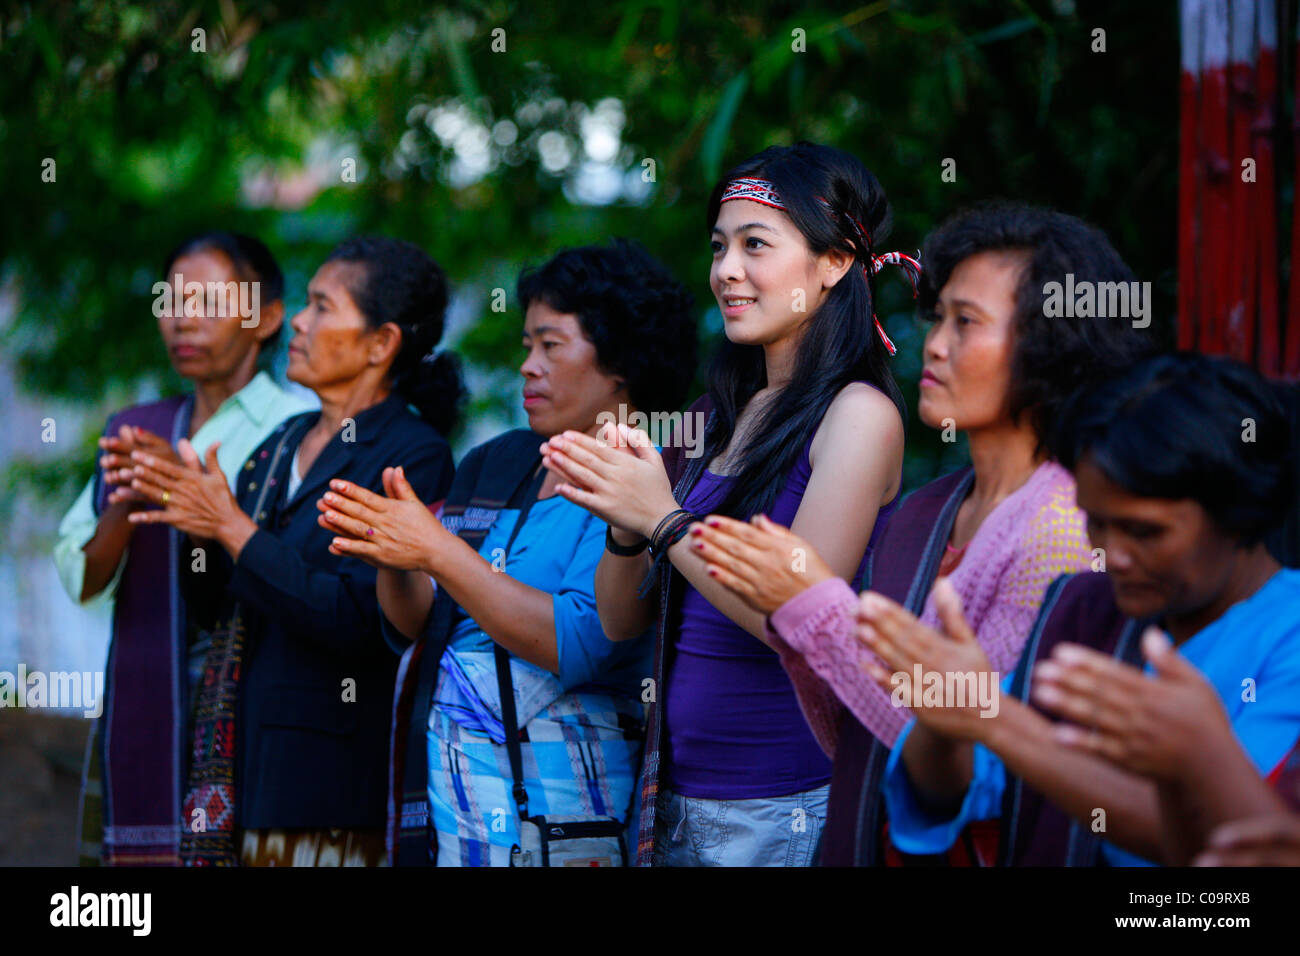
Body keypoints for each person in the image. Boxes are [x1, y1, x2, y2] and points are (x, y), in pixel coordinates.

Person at [689, 203, 1155, 864]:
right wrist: (799, 607)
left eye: (966, 322)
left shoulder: (1062, 528)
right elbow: (853, 733)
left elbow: (969, 767)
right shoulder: (929, 508)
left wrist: (815, 602)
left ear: (1054, 342)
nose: (933, 344)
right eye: (938, 317)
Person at [541, 142, 916, 865]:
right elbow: (621, 621)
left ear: (835, 263)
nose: (726, 270)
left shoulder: (859, 415)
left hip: (784, 805)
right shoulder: (718, 414)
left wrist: (663, 519)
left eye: (755, 245)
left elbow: (804, 616)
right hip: (674, 797)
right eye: (718, 247)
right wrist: (625, 523)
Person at [321, 239, 697, 865]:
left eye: (551, 345)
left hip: (565, 817)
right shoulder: (496, 463)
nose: (528, 365)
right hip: (454, 804)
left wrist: (438, 551)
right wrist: (394, 552)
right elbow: (425, 624)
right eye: (527, 345)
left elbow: (581, 643)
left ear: (623, 362)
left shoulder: (651, 479)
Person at [866, 352, 1300, 866]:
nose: (1111, 554)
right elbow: (954, 789)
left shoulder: (1287, 635)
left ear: (1239, 510)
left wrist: (997, 722)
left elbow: (1238, 842)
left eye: (1145, 532)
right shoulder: (1079, 608)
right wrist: (942, 721)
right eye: (1097, 523)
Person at [127, 236, 459, 865]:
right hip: (245, 753)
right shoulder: (281, 442)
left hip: (333, 773)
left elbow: (358, 620)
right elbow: (212, 603)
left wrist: (230, 527)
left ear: (381, 344)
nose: (299, 323)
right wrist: (199, 530)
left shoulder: (411, 455)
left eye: (322, 307)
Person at [54, 232, 312, 866]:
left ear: (267, 317)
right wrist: (129, 494)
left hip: (245, 702)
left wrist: (186, 489)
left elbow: (295, 577)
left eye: (207, 300)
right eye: (170, 300)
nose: (181, 319)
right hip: (143, 693)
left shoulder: (302, 426)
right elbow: (81, 579)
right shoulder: (138, 429)